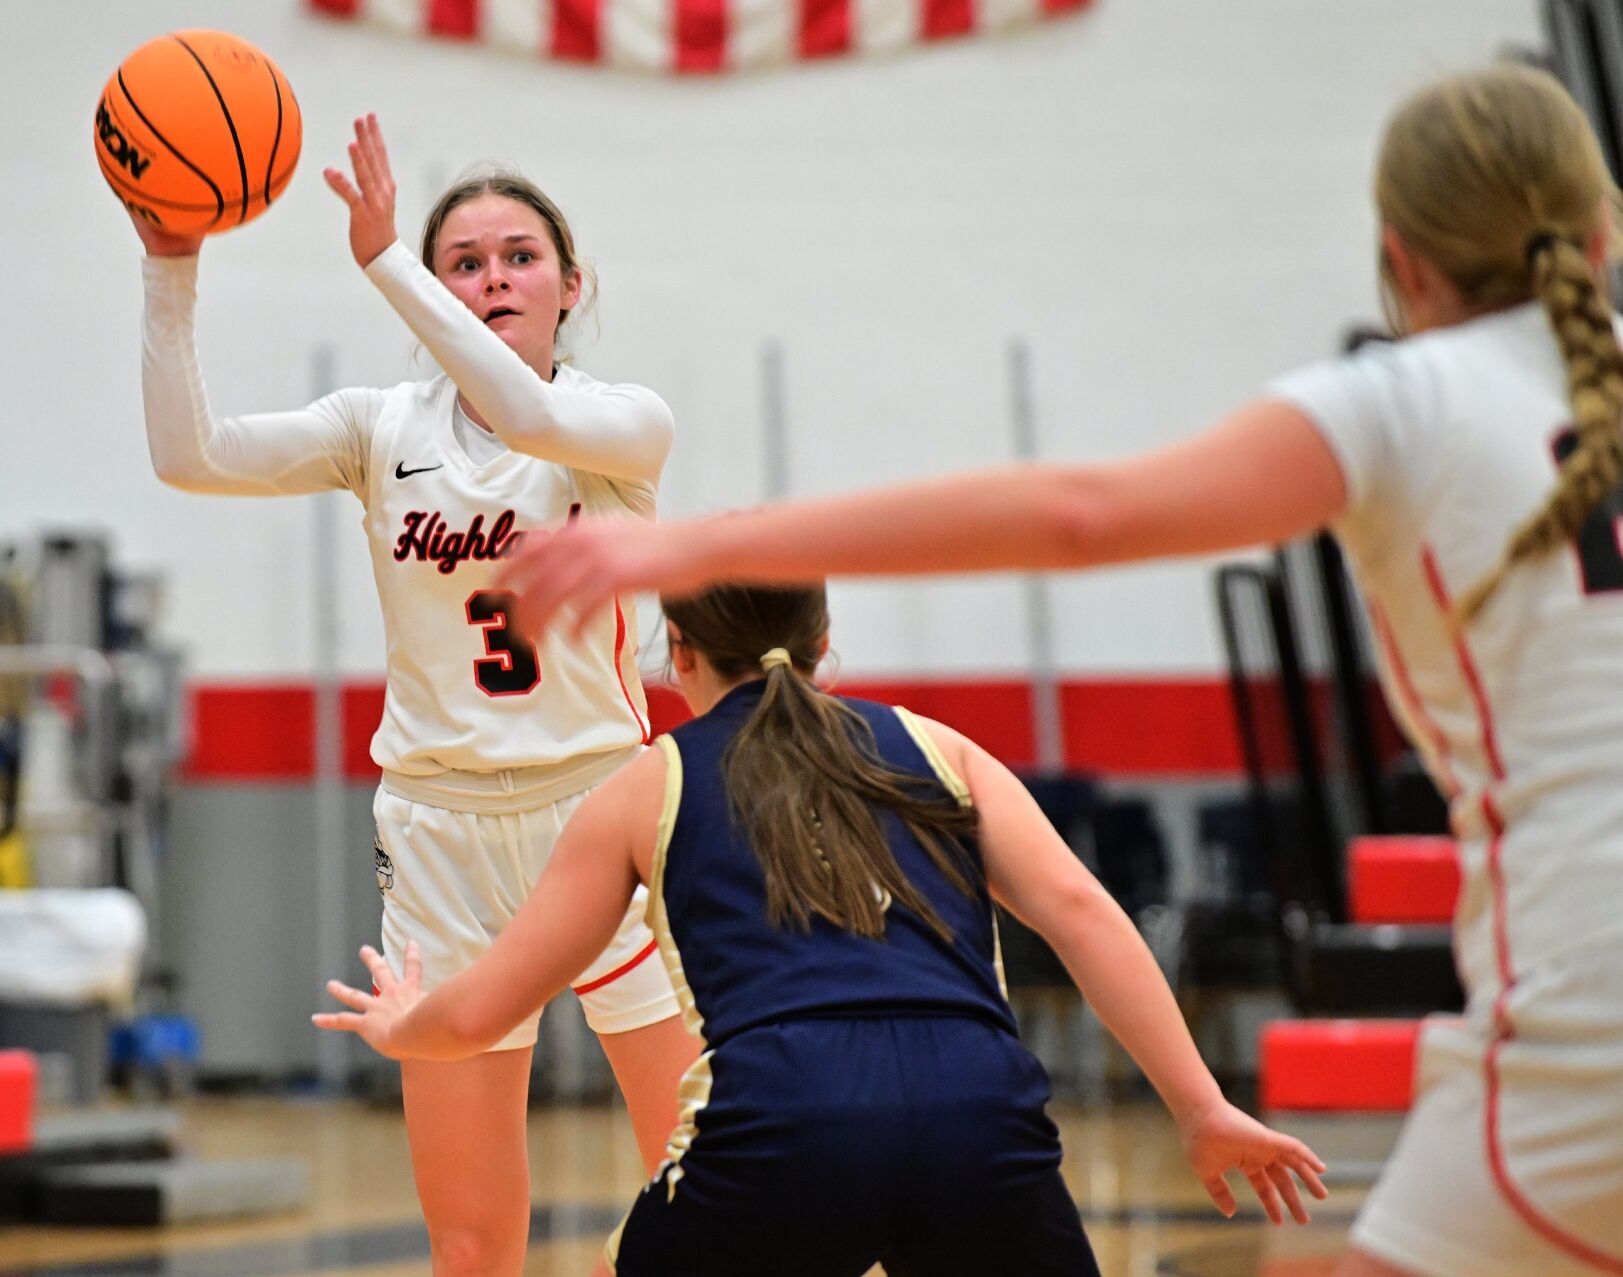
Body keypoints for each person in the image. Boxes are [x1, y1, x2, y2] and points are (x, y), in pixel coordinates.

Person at [491, 64, 1623, 1277]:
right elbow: (1076, 907)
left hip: (1582, 1003)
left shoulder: (1405, 399)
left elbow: (1083, 513)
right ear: (1602, 232)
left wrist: (698, 544)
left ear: (1398, 261)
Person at [315, 580, 1328, 1276]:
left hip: (783, 1130)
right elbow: (1085, 914)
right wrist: (1201, 1106)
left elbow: (489, 1003)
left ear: (676, 654)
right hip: (981, 1119)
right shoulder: (942, 747)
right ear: (824, 640)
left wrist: (403, 1023)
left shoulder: (643, 783)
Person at [133, 115, 697, 1276]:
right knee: (470, 1236)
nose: (493, 278)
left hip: (606, 814)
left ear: (571, 284)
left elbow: (529, 414)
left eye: (518, 255)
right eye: (466, 261)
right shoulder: (379, 428)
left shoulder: (621, 422)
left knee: (696, 1194)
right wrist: (171, 265)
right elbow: (189, 454)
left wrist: (388, 259)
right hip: (438, 831)